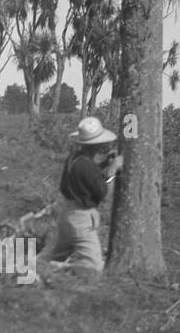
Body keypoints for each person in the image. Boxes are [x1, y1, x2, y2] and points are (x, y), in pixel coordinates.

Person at [36, 116, 122, 278]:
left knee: (46, 257)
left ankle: (23, 269)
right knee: (94, 267)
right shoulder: (86, 166)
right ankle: (61, 269)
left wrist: (104, 163)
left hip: (66, 213)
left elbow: (88, 174)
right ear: (98, 144)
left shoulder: (75, 158)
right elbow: (105, 194)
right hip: (81, 220)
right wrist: (112, 172)